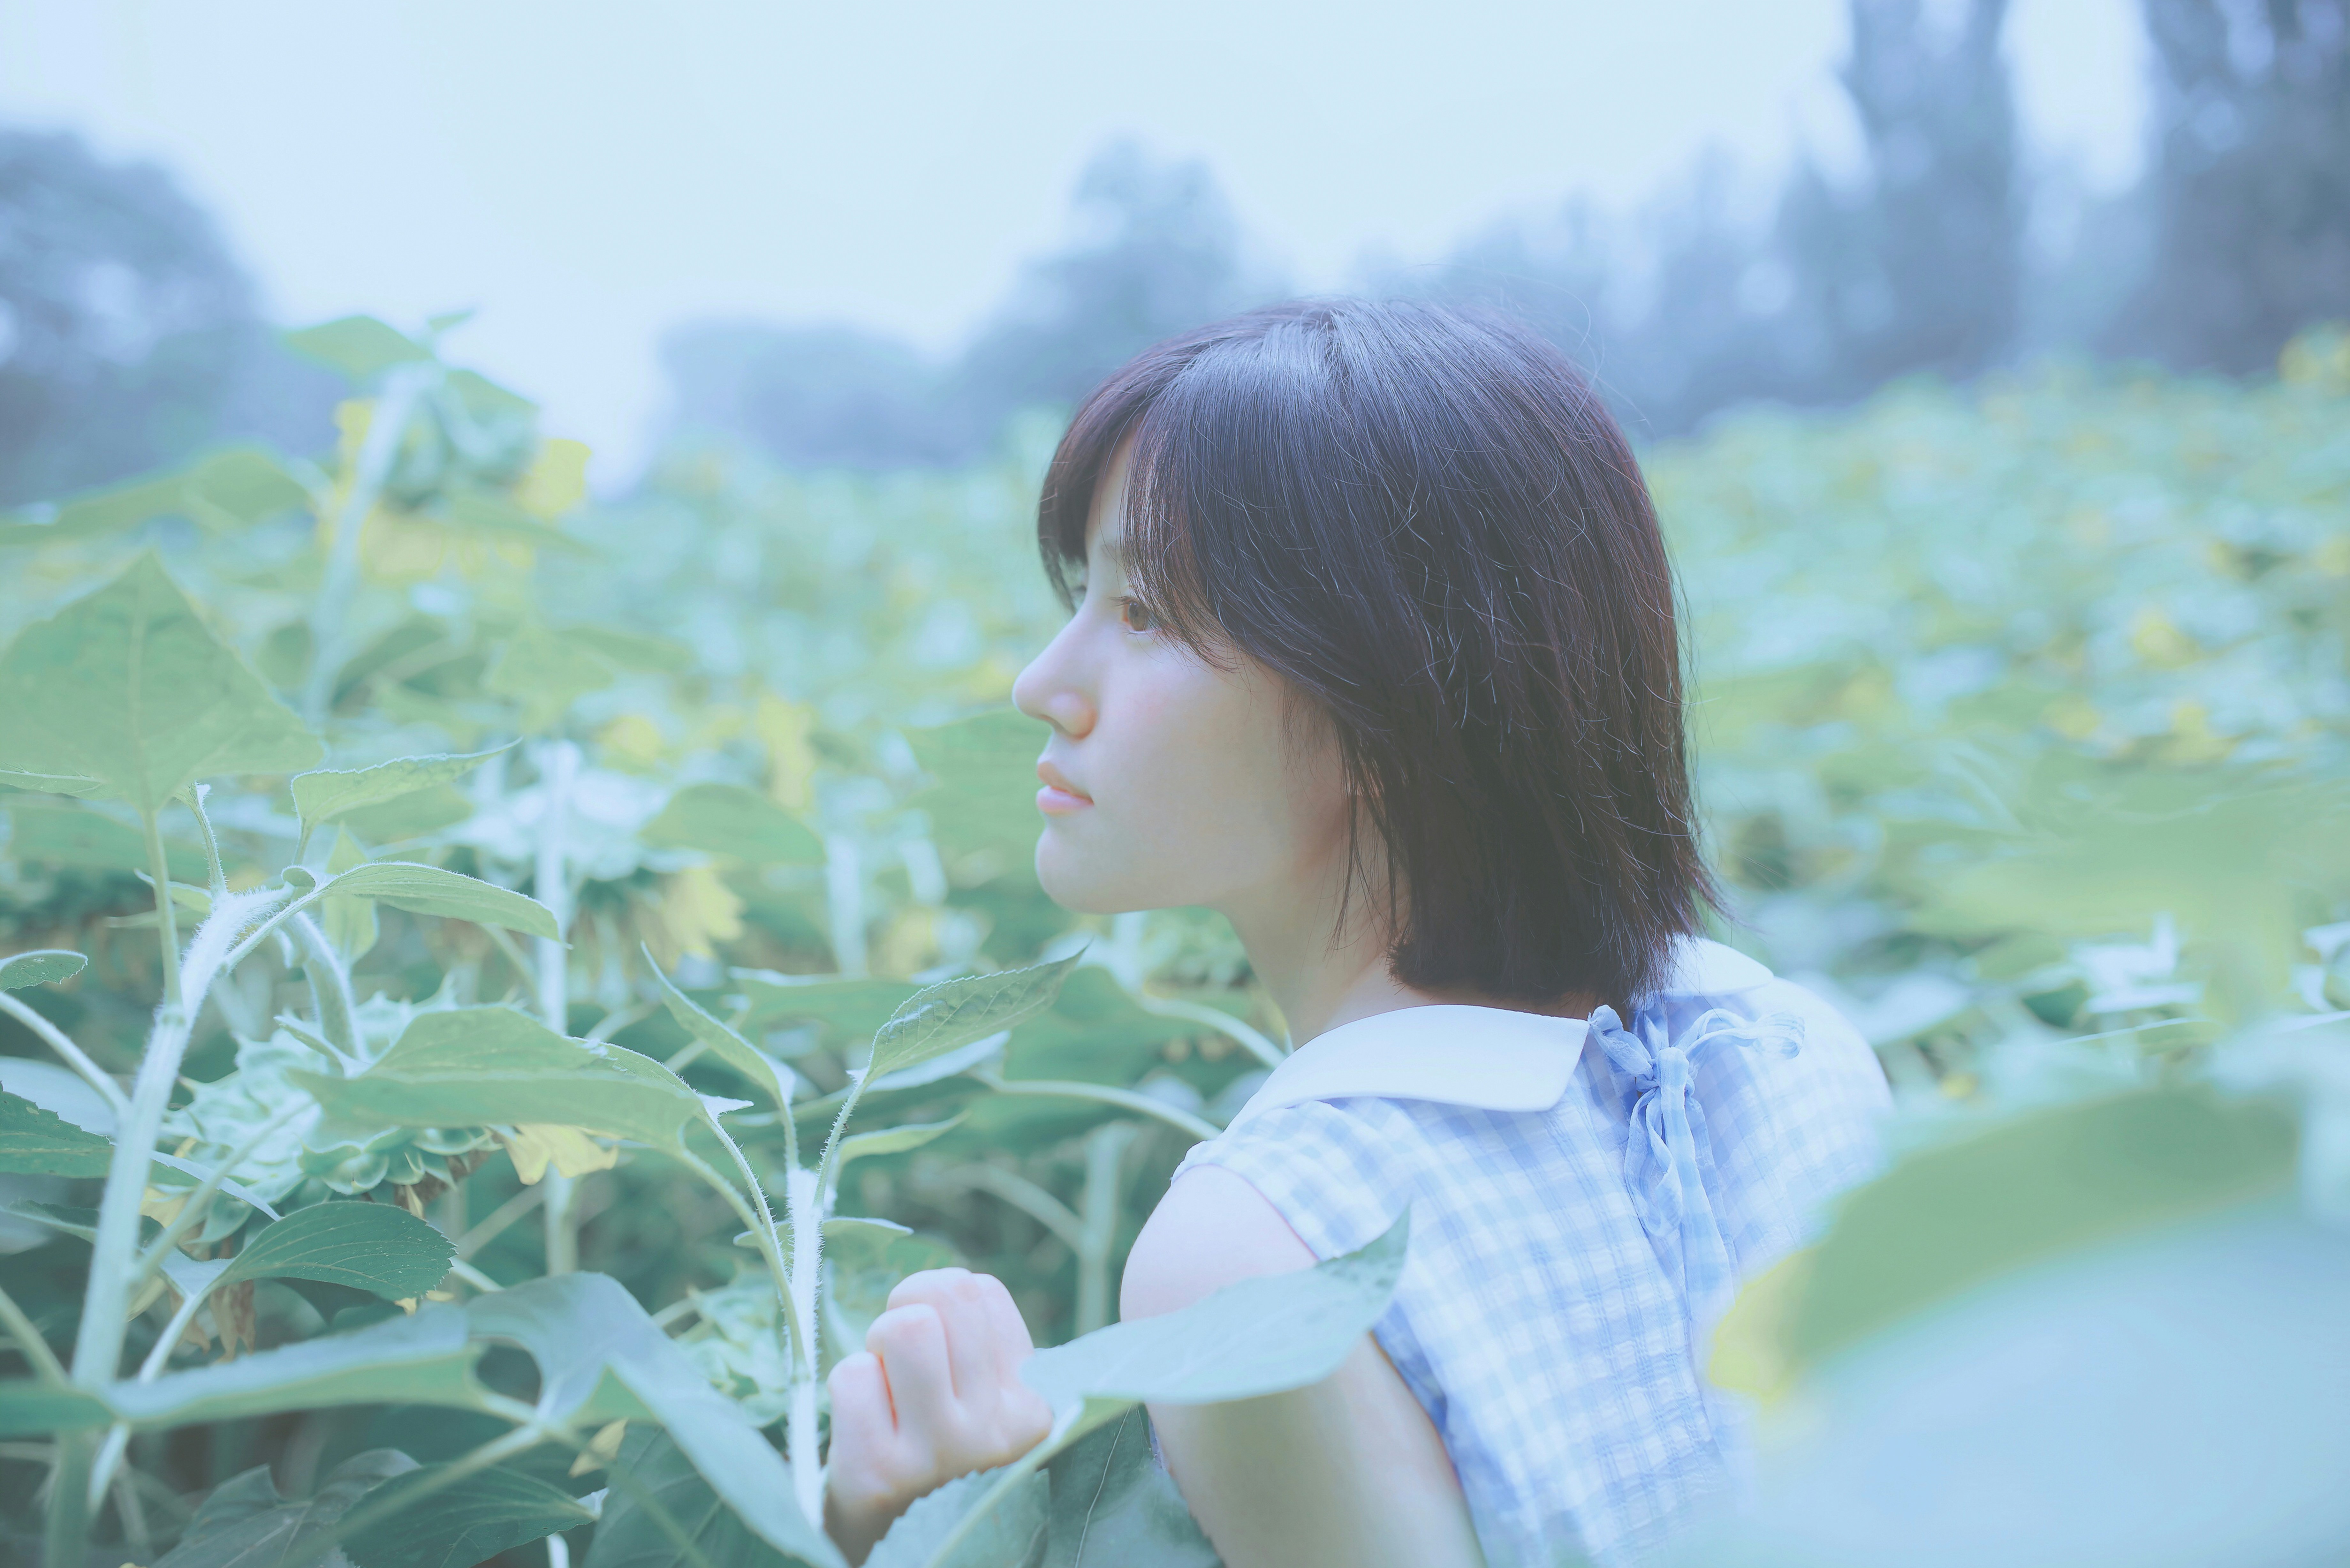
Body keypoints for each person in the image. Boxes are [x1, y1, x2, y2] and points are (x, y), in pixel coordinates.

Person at [821, 298, 1892, 1568]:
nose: (1043, 682)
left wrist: (939, 1541)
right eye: (1083, 597)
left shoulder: (1264, 1250)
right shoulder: (1792, 1051)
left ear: (1385, 701)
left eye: (1147, 612)